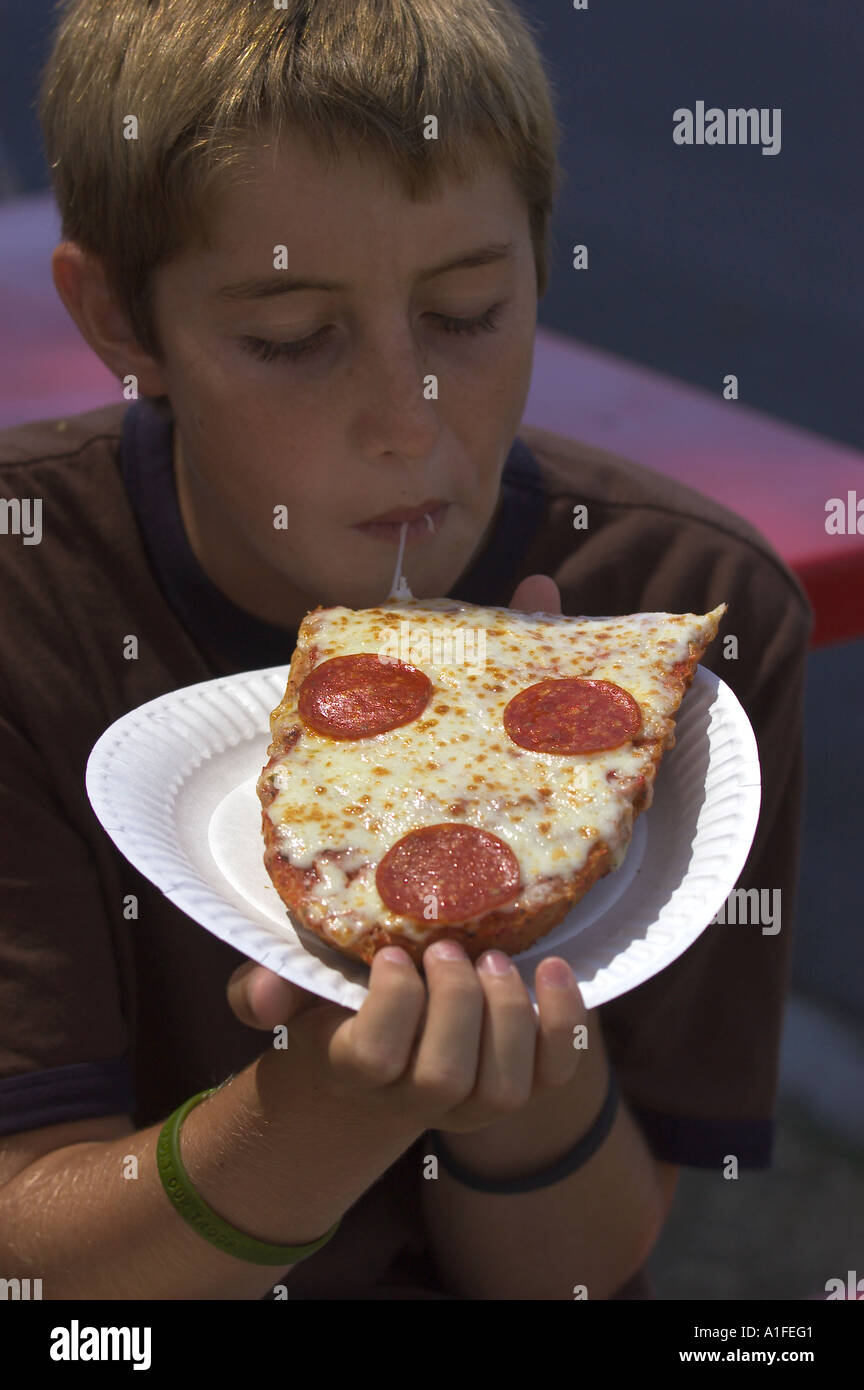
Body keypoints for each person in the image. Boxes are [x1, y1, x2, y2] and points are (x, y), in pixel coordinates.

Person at [0, 0, 812, 1300]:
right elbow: (39, 1265)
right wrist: (324, 1106)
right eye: (288, 338)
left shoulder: (685, 620)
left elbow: (583, 1273)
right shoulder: (24, 594)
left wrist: (537, 950)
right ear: (119, 320)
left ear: (541, 266)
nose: (404, 419)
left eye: (469, 312)